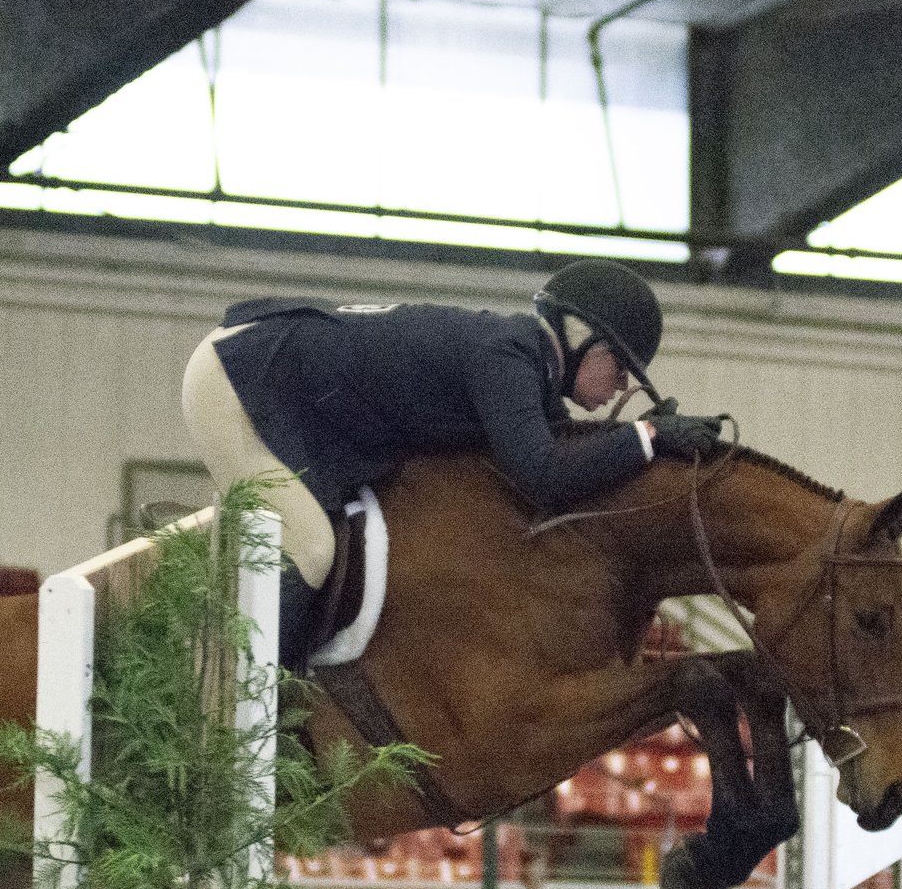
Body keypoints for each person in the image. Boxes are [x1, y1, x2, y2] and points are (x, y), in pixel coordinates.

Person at [178, 258, 727, 661]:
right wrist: (649, 436)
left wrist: (643, 439)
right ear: (582, 338)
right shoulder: (505, 354)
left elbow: (552, 452)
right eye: (621, 366)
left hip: (278, 381)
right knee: (314, 549)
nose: (621, 385)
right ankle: (254, 722)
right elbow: (544, 475)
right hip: (239, 379)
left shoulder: (522, 366)